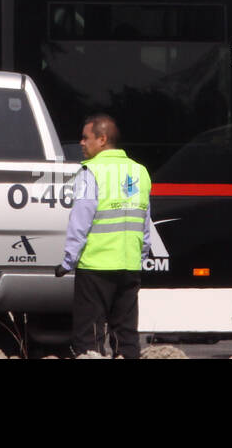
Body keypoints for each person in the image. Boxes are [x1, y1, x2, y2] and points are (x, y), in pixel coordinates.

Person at [54, 114, 152, 359]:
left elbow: (81, 220)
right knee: (126, 335)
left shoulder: (91, 172)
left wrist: (68, 261)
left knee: (90, 338)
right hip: (129, 265)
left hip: (96, 267)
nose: (81, 143)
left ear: (102, 139)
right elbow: (145, 221)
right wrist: (139, 254)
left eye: (86, 138)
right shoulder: (139, 172)